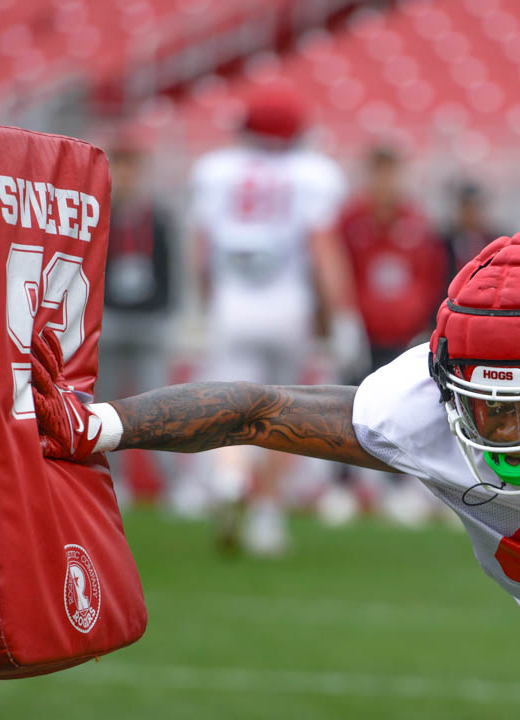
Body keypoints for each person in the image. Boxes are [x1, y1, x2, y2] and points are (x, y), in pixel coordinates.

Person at [31, 228, 520, 719]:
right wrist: (103, 423)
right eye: (481, 407)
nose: (500, 432)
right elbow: (256, 407)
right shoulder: (416, 410)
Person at [184, 81, 362, 554]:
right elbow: (324, 251)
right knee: (282, 411)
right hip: (288, 305)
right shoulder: (313, 173)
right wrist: (339, 316)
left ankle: (228, 481)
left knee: (229, 408)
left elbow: (200, 254)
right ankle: (266, 514)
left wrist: (207, 305)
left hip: (232, 303)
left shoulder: (215, 170)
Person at [98, 134, 175, 505]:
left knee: (158, 403)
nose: (127, 175)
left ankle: (173, 484)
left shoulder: (157, 218)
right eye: (122, 166)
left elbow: (170, 269)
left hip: (148, 322)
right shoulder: (99, 214)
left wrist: (165, 312)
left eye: (133, 167)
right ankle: (114, 484)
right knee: (107, 405)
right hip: (110, 320)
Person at [337, 145, 445, 373]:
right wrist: (343, 319)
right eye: (379, 173)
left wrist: (427, 321)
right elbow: (339, 272)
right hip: (364, 337)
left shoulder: (416, 221)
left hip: (407, 335)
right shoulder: (351, 220)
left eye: (390, 173)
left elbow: (431, 275)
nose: (385, 182)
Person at [440, 179, 502, 285]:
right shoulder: (443, 243)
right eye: (467, 207)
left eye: (476, 207)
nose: (471, 214)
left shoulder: (498, 243)